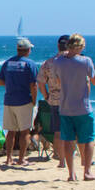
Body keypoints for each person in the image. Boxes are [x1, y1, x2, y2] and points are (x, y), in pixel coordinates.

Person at [54, 34, 95, 181]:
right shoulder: (86, 61)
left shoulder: (58, 62)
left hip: (66, 107)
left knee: (68, 141)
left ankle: (71, 173)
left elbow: (58, 80)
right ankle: (87, 171)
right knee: (88, 139)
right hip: (83, 107)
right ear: (79, 47)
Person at [0, 37, 39, 167]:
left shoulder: (8, 63)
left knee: (11, 131)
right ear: (27, 50)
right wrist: (33, 100)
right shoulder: (30, 64)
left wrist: (12, 85)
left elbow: (0, 81)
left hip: (9, 100)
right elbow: (34, 85)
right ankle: (21, 159)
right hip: (23, 100)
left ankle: (9, 158)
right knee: (25, 131)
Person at [37, 35, 70, 167]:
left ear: (58, 46)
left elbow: (40, 82)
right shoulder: (75, 61)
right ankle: (70, 156)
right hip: (71, 99)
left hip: (55, 100)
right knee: (73, 129)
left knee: (57, 130)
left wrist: (46, 96)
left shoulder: (48, 63)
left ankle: (58, 156)